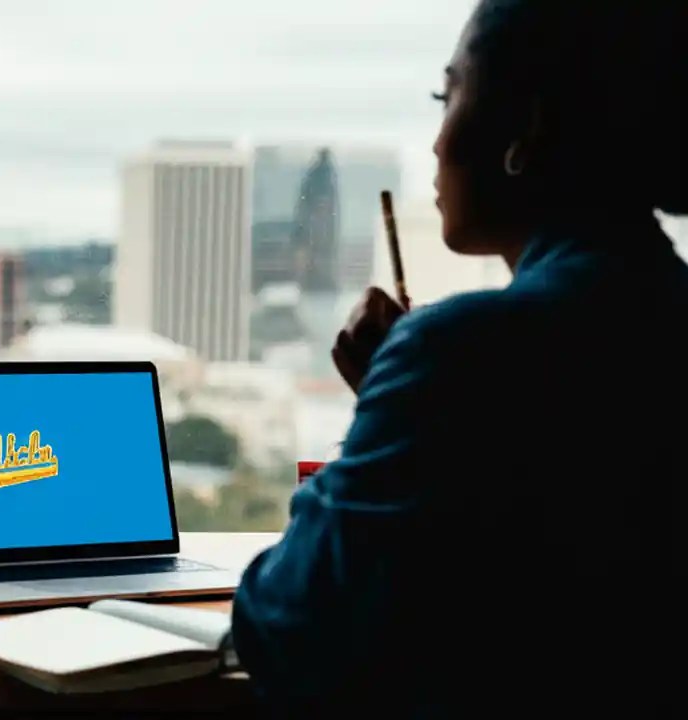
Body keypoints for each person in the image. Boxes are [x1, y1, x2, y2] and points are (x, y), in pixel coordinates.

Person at [230, 0, 687, 715]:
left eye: (449, 97)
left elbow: (286, 626)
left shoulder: (459, 355)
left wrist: (395, 396)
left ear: (526, 128)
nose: (438, 144)